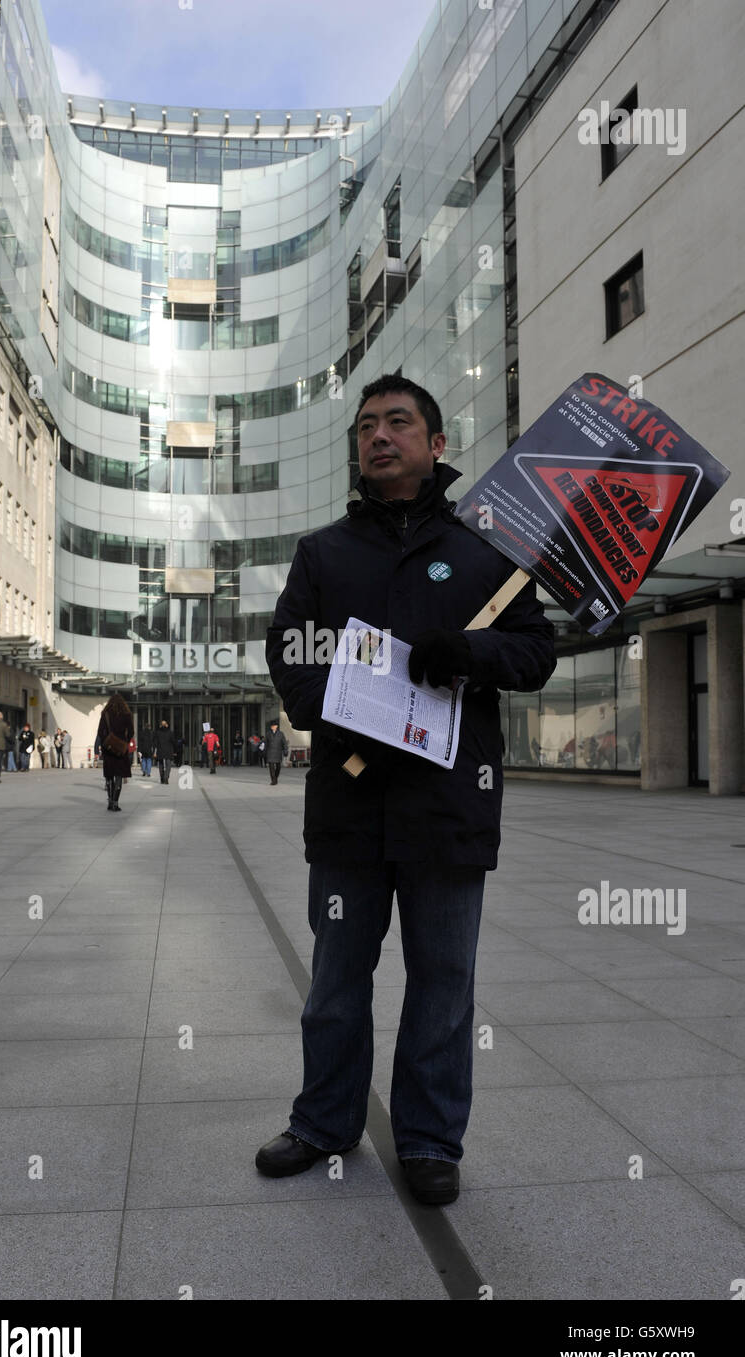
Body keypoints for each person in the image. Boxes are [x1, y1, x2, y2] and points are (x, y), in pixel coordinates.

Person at [257, 374, 556, 1205]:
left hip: (449, 808)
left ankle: (428, 1141)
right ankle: (322, 1123)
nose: (378, 436)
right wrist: (346, 712)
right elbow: (290, 652)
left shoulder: (488, 550)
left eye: (397, 422)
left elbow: (534, 653)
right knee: (336, 980)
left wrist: (466, 652)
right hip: (349, 807)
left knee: (443, 982)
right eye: (365, 427)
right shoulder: (323, 553)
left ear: (435, 443)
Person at [94, 692, 134, 811]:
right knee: (119, 776)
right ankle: (115, 803)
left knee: (109, 775)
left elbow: (100, 732)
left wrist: (107, 741)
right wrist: (124, 741)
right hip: (121, 749)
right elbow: (131, 732)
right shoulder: (127, 714)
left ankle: (110, 802)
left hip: (109, 749)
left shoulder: (105, 714)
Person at [265, 719, 288, 786]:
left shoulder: (281, 734)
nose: (272, 726)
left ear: (277, 726)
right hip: (270, 752)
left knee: (278, 767)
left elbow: (284, 743)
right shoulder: (268, 734)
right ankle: (273, 780)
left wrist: (285, 750)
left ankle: (275, 778)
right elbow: (266, 743)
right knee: (271, 767)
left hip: (278, 752)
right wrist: (264, 752)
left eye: (274, 725)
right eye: (271, 726)